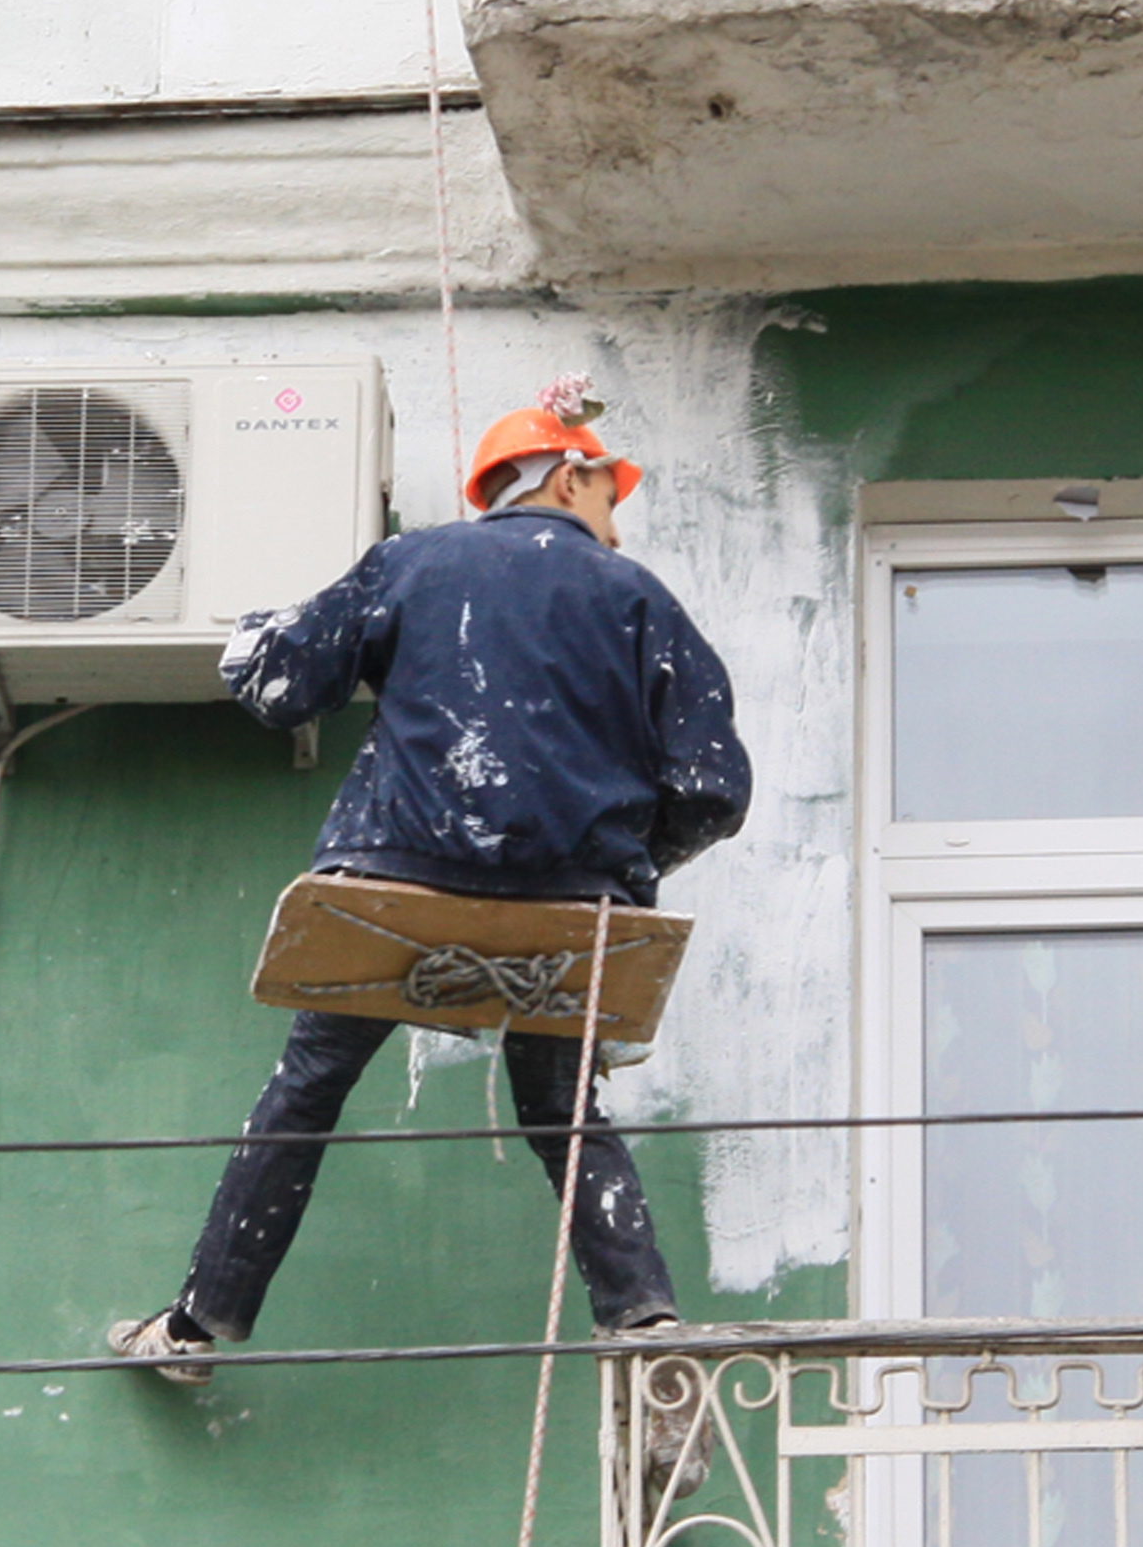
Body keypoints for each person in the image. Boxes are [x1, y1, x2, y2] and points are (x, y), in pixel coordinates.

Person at [110, 389, 750, 1382]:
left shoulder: (412, 564)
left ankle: (198, 1326)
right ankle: (643, 1326)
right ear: (568, 476)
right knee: (565, 1109)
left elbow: (279, 686)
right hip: (571, 907)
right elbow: (713, 789)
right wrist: (623, 864)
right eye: (608, 494)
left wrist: (252, 630)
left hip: (393, 885)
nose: (614, 525)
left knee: (306, 1089)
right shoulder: (638, 599)